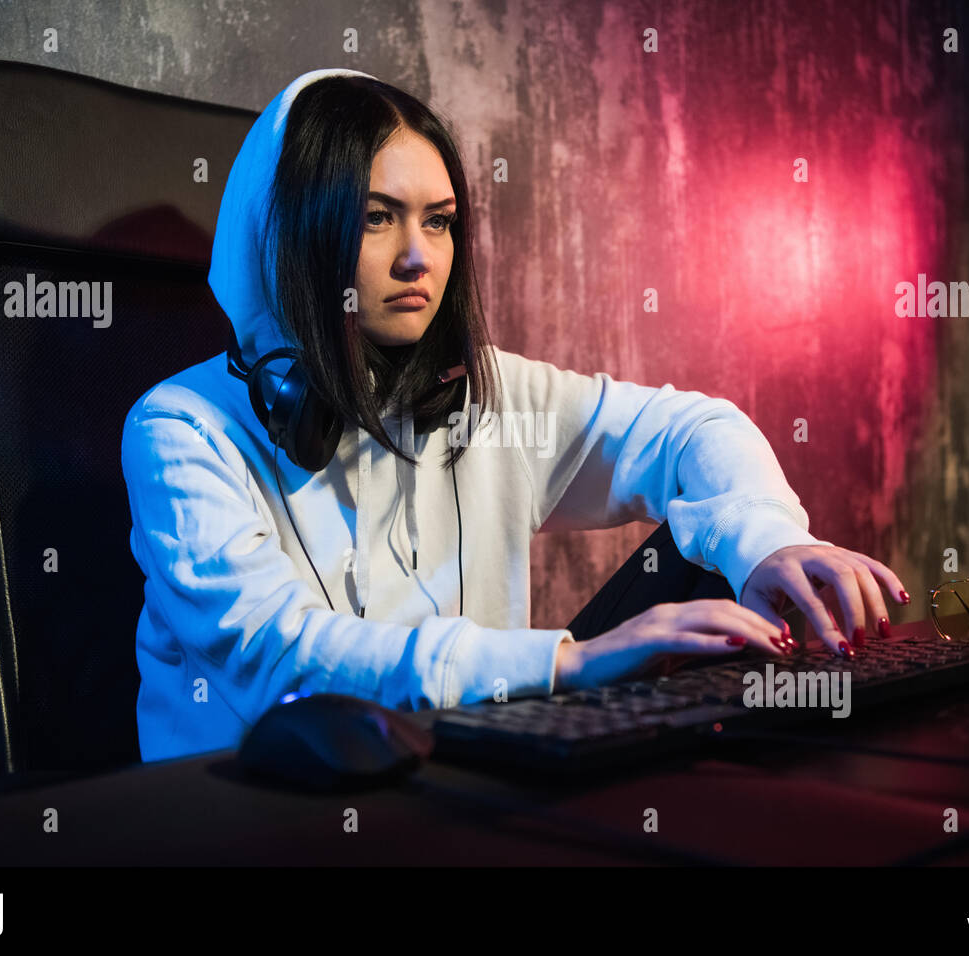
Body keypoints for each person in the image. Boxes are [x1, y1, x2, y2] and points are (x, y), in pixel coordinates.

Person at [121, 68, 912, 763]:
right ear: (296, 236)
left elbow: (692, 431)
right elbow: (278, 657)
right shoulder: (180, 430)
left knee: (709, 560)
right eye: (376, 217)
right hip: (257, 827)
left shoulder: (487, 397)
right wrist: (565, 666)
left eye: (438, 220)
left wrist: (770, 543)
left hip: (464, 792)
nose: (418, 256)